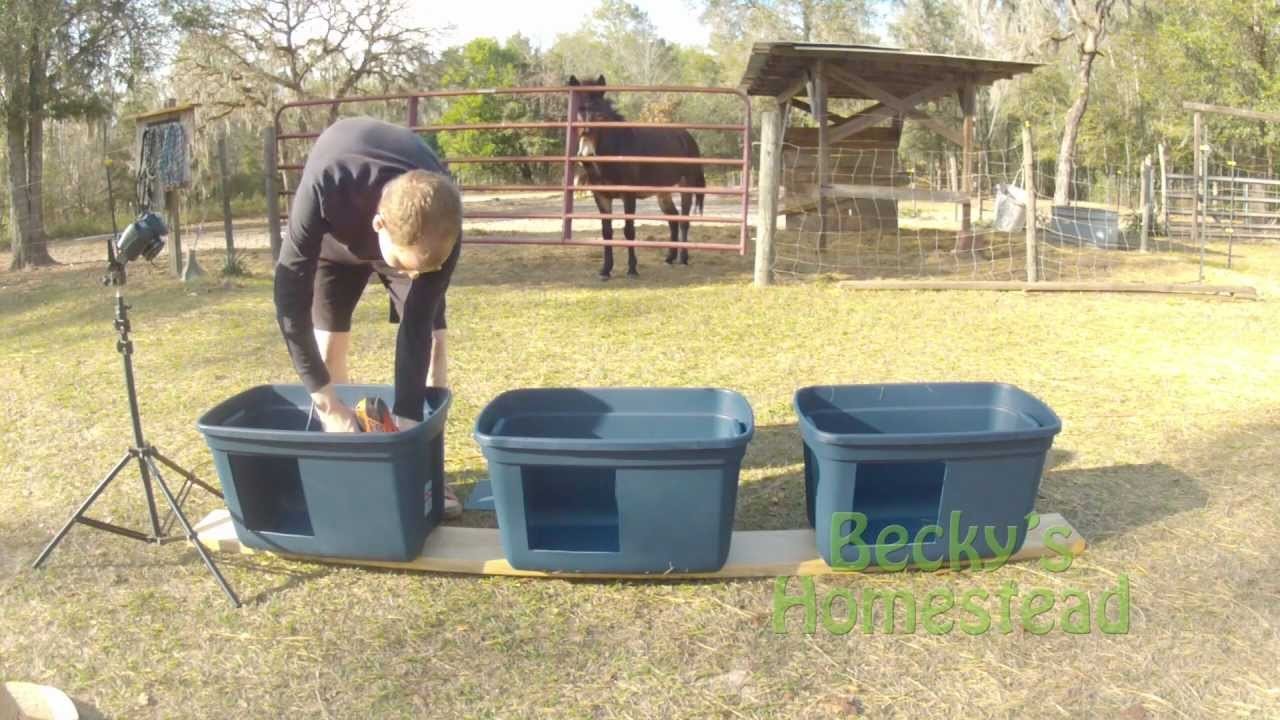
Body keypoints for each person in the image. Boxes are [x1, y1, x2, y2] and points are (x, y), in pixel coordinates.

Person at [274, 116, 462, 517]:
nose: (415, 279)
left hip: (411, 240)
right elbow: (289, 304)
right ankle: (349, 466)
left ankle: (428, 469)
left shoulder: (444, 218)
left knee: (433, 342)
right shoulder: (325, 184)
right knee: (328, 350)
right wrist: (329, 406)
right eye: (409, 269)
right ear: (378, 225)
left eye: (424, 271)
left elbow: (417, 324)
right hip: (335, 237)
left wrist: (409, 421)